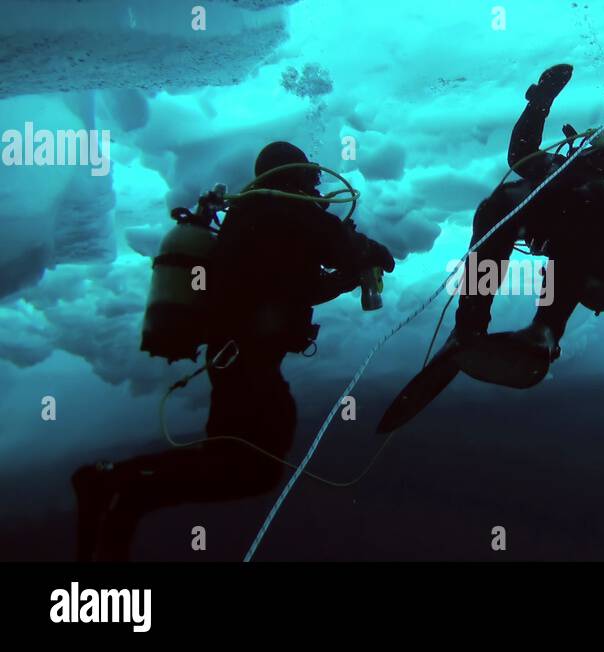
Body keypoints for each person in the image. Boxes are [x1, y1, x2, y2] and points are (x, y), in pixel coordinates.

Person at [72, 141, 395, 561]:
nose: (317, 187)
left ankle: (121, 496)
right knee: (249, 468)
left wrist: (344, 279)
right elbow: (344, 248)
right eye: (310, 177)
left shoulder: (254, 215)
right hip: (247, 363)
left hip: (237, 358)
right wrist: (368, 258)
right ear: (292, 175)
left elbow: (290, 286)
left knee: (237, 461)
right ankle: (116, 483)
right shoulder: (285, 211)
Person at [378, 63, 604, 433]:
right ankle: (470, 324)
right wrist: (540, 100)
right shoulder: (570, 167)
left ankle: (546, 328)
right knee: (500, 204)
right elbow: (522, 155)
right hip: (571, 235)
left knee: (592, 201)